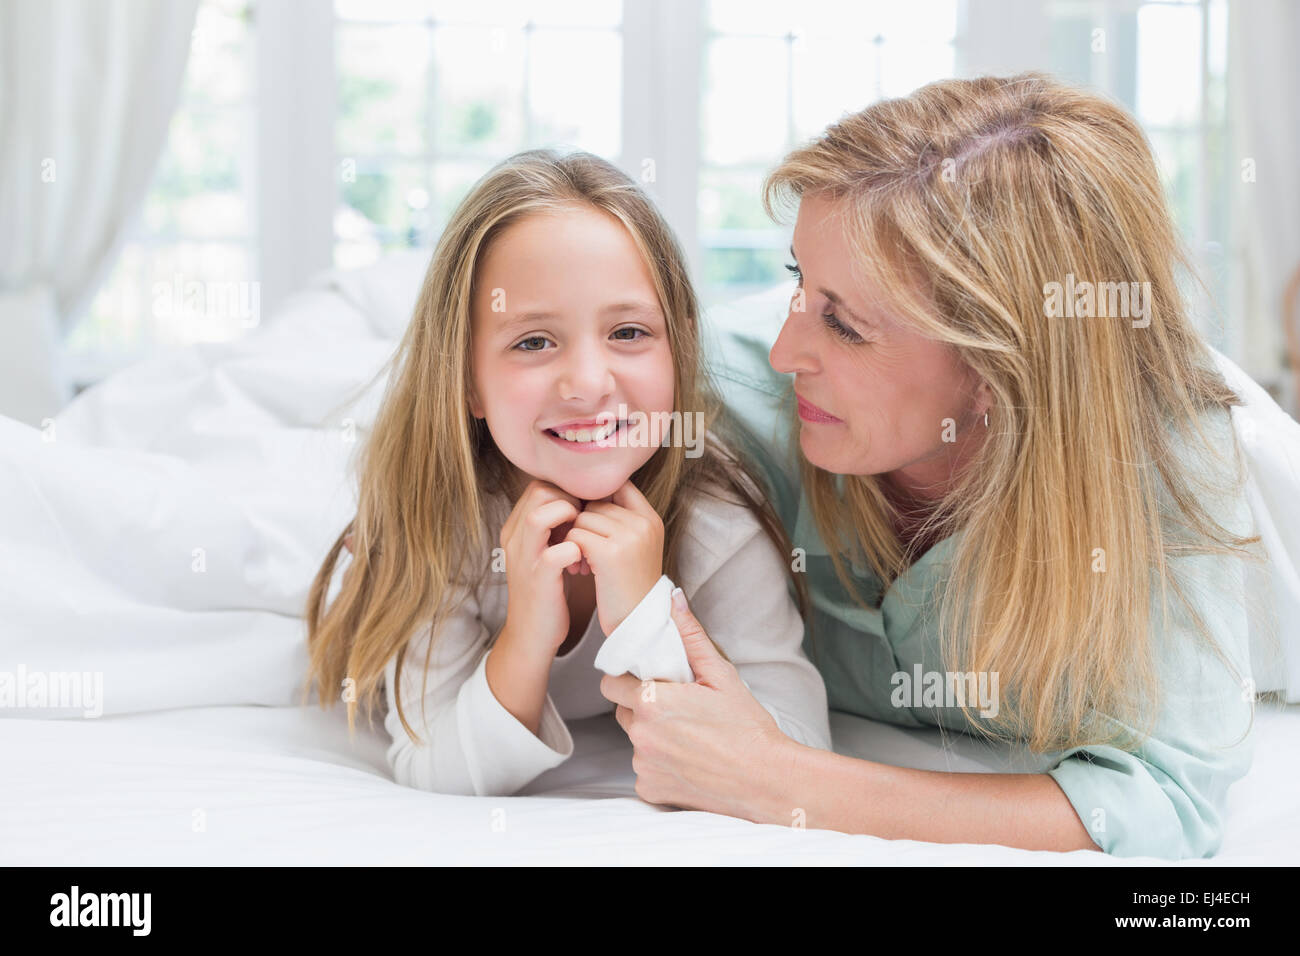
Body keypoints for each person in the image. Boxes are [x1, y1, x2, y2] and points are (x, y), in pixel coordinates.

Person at [601, 73, 1261, 858]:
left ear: (997, 371)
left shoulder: (1158, 460)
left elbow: (1163, 804)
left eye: (844, 325)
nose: (787, 351)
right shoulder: (717, 395)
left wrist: (780, 780)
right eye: (797, 283)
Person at [302, 149, 831, 796]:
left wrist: (646, 612)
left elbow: (795, 750)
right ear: (467, 378)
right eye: (533, 342)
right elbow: (437, 768)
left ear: (681, 350)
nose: (586, 383)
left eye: (630, 332)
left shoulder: (718, 522)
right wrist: (527, 633)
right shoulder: (438, 521)